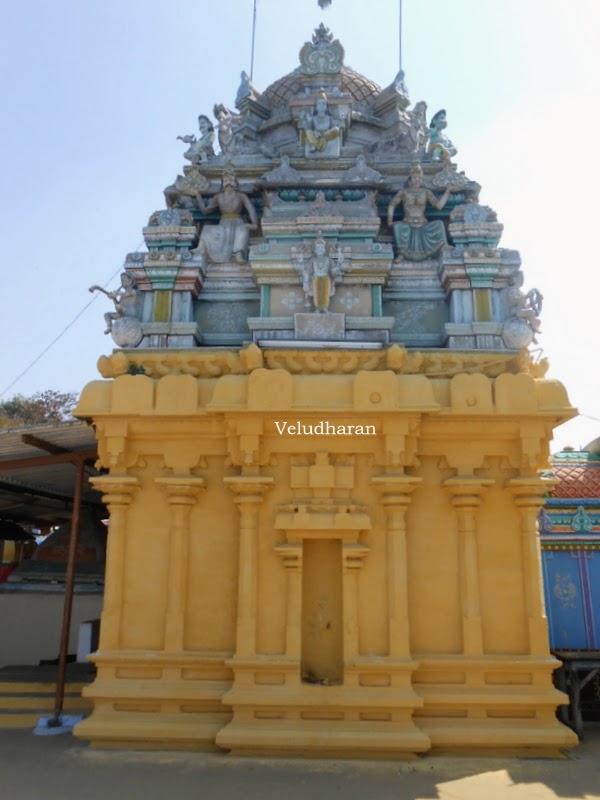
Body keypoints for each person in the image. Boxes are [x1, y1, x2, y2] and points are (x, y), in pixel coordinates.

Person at [386, 162, 456, 261]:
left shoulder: (426, 192)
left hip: (423, 223)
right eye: (415, 177)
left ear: (422, 179)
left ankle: (443, 247)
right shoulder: (404, 192)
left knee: (439, 224)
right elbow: (392, 204)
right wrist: (389, 221)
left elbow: (439, 206)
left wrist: (447, 191)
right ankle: (402, 254)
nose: (417, 180)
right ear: (410, 179)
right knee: (398, 227)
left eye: (419, 178)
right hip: (407, 223)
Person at [192, 165, 258, 263]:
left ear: (236, 183)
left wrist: (254, 223)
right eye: (225, 180)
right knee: (207, 229)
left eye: (231, 180)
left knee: (242, 230)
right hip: (223, 223)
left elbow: (250, 208)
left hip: (238, 222)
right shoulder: (218, 197)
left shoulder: (241, 196)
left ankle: (238, 253)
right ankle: (201, 248)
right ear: (222, 184)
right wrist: (198, 195)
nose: (228, 182)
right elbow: (206, 211)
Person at [299, 89, 341, 153]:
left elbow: (335, 125)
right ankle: (314, 144)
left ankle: (315, 144)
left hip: (326, 134)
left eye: (323, 103)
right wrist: (308, 121)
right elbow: (308, 128)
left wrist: (339, 118)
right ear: (316, 107)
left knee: (336, 129)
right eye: (319, 103)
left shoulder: (329, 118)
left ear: (326, 107)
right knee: (308, 132)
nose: (321, 105)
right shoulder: (313, 118)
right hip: (316, 135)